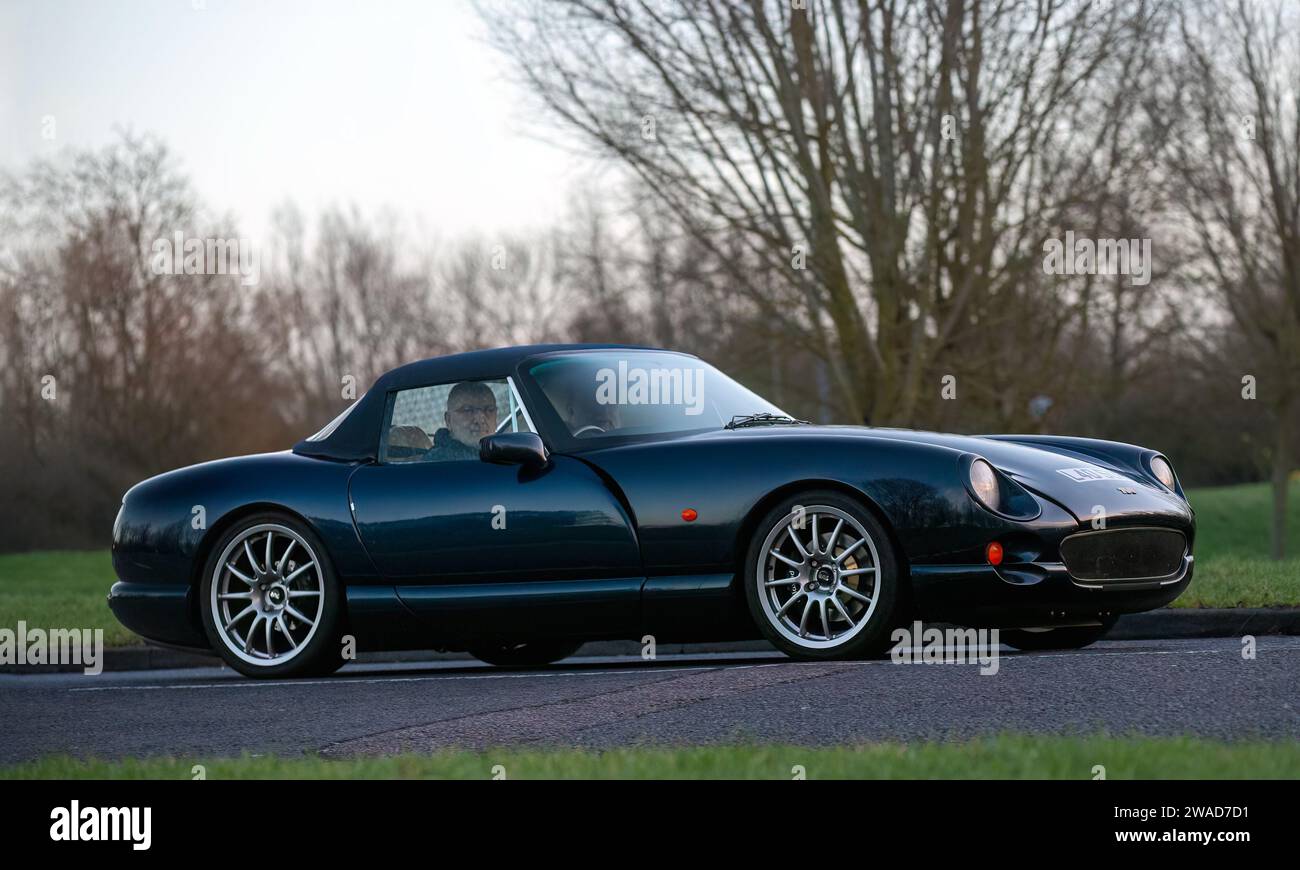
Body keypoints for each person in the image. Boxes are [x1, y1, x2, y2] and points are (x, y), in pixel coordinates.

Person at [424, 381, 499, 462]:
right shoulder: (437, 462)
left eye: (489, 410)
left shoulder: (505, 454)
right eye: (468, 410)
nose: (480, 419)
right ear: (448, 420)